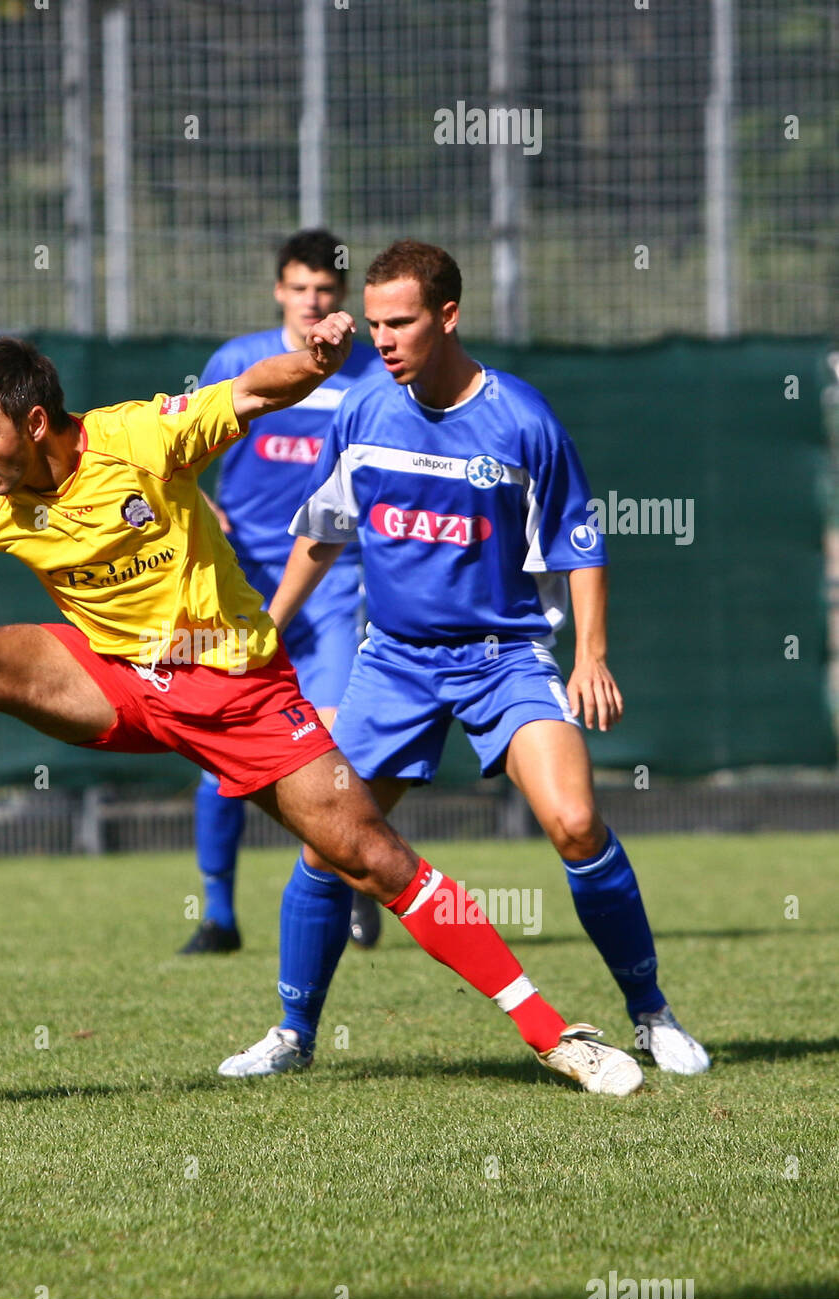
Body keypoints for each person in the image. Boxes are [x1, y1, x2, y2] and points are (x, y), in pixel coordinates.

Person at [0, 326, 645, 1096]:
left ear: (36, 423)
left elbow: (254, 392)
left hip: (239, 693)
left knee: (374, 858)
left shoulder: (138, 438)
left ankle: (552, 1034)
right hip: (118, 681)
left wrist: (313, 361)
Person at [220, 238, 707, 1080]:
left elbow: (579, 544)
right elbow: (324, 533)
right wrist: (266, 627)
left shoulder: (522, 419)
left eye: (401, 321)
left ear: (447, 316)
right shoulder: (363, 411)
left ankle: (651, 1015)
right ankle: (294, 1036)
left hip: (506, 658)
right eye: (373, 324)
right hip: (395, 663)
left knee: (578, 823)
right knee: (330, 845)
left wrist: (590, 655)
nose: (384, 339)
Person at [182, 228, 383, 956]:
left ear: (344, 298)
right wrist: (209, 512)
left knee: (329, 750)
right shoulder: (239, 363)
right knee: (221, 749)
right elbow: (180, 459)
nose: (312, 302)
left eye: (326, 291)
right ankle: (219, 916)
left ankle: (350, 886)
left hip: (331, 587)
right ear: (279, 291)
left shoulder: (370, 374)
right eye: (300, 289)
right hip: (239, 588)